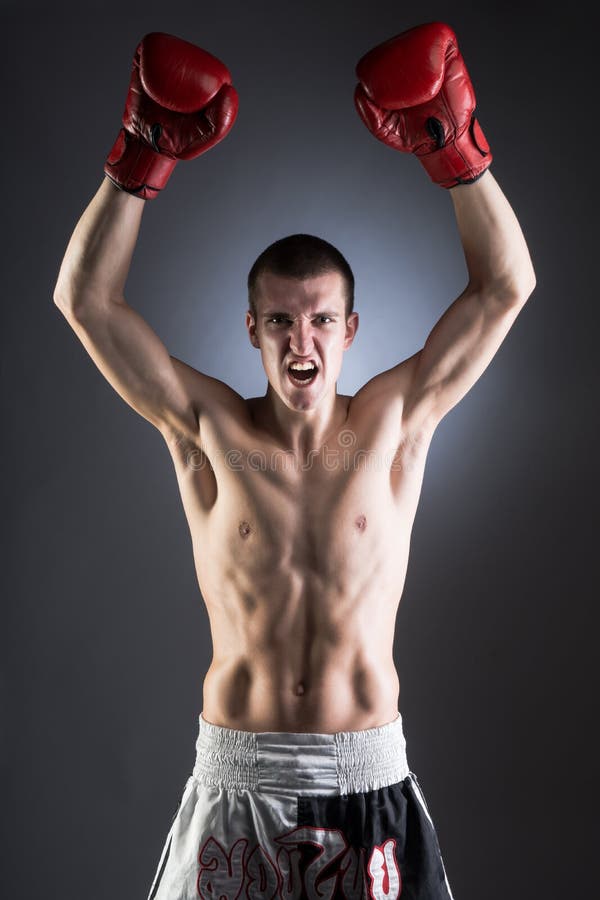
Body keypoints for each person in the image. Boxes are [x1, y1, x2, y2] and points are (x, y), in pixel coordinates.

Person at [52, 22, 535, 900]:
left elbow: (506, 286)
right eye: (280, 321)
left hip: (369, 781)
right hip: (237, 777)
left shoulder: (395, 421)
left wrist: (454, 151)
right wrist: (138, 162)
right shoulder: (207, 430)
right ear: (253, 331)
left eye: (319, 320)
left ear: (349, 332)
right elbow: (83, 300)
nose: (300, 340)